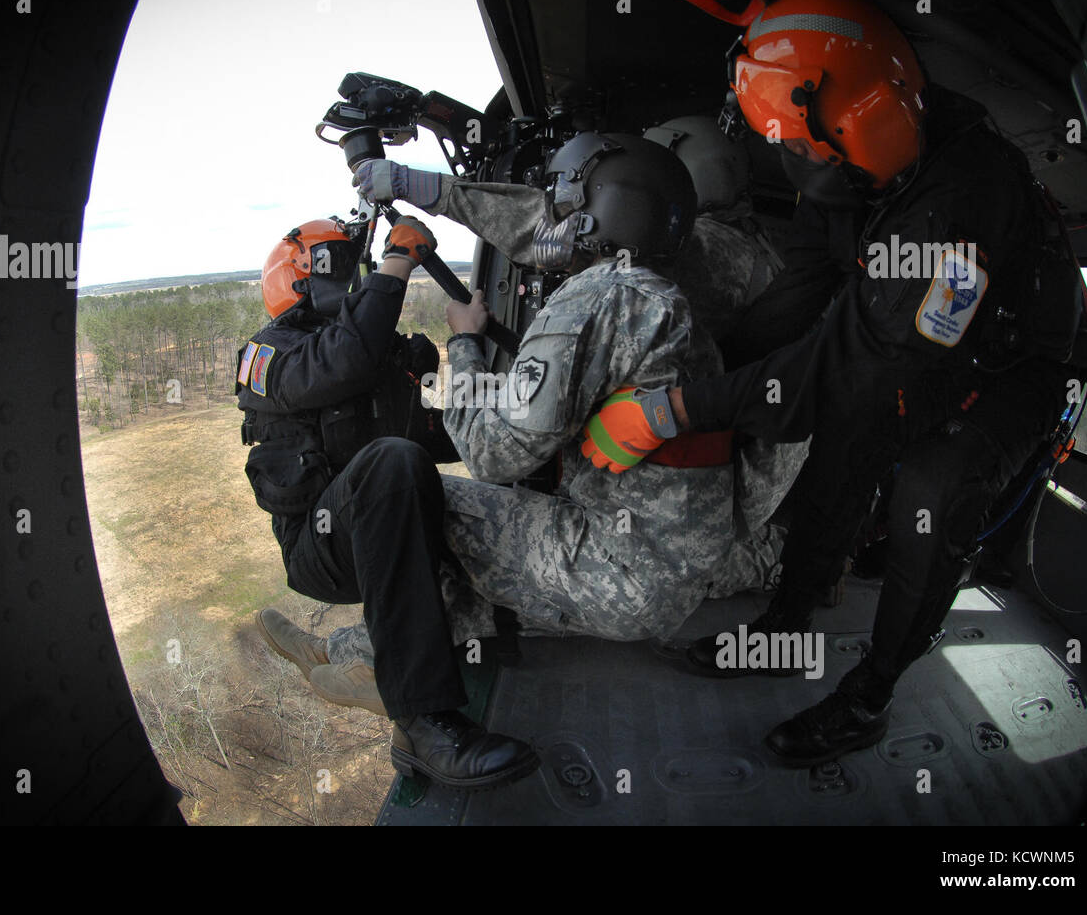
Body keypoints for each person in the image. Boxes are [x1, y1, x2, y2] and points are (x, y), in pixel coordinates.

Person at [580, 0, 1087, 766]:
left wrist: (669, 411)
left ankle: (867, 700)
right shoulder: (843, 169)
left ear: (860, 120)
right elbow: (789, 310)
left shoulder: (958, 201)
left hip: (1017, 366)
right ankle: (784, 635)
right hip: (908, 342)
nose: (800, 161)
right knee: (843, 437)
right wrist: (702, 370)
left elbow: (829, 373)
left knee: (930, 485)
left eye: (809, 149)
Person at [311, 131, 807, 678]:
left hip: (621, 571)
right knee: (494, 538)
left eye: (564, 204)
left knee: (416, 495)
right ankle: (368, 651)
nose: (552, 221)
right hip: (687, 559)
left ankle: (372, 661)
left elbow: (490, 454)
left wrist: (465, 344)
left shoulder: (600, 297)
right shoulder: (681, 285)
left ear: (597, 213)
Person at [239, 214, 538, 790]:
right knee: (394, 461)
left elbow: (443, 433)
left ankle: (378, 666)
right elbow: (341, 361)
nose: (352, 282)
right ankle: (422, 723)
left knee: (445, 482)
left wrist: (484, 367)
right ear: (303, 277)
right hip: (322, 550)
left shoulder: (375, 359)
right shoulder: (271, 356)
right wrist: (397, 261)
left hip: (387, 530)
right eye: (342, 268)